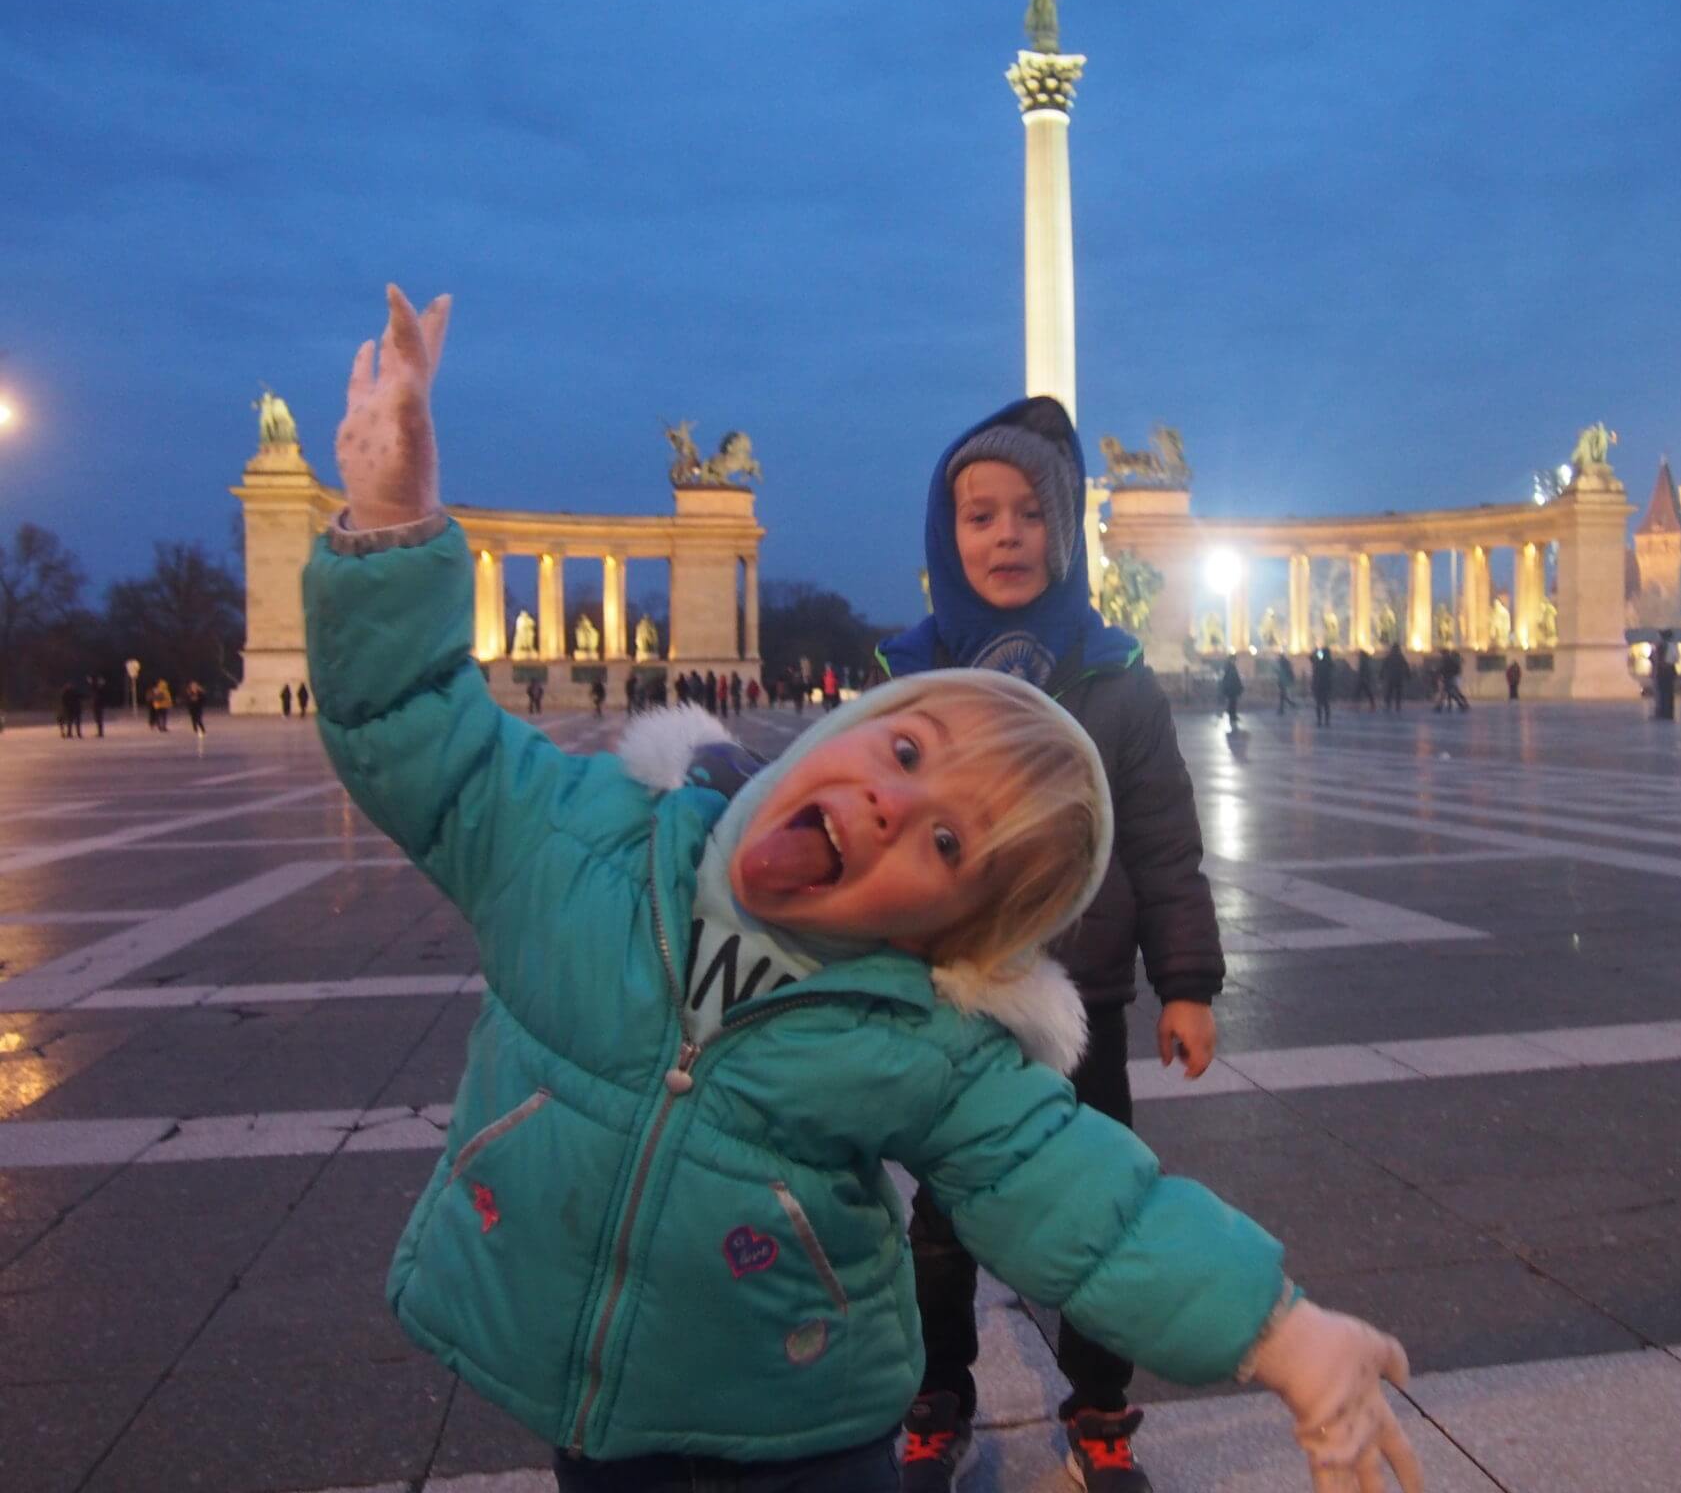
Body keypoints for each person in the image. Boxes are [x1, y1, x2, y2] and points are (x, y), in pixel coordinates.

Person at [307, 286, 1419, 1493]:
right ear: (831, 734)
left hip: (807, 1415)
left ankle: (1069, 1402)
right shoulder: (596, 844)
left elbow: (1086, 1196)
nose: (898, 807)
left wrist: (1280, 1330)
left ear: (958, 937)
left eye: (948, 849)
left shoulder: (927, 1034)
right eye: (898, 751)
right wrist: (388, 527)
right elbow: (421, 734)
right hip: (588, 1398)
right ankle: (947, 1389)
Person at [875, 397, 1241, 1492]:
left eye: (1029, 513)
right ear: (946, 536)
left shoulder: (1113, 675)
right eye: (978, 514)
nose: (1004, 534)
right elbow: (876, 830)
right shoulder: (913, 673)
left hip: (1086, 997)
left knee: (1101, 1204)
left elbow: (1166, 843)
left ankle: (1100, 1401)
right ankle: (938, 1388)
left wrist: (1186, 983)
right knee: (940, 1217)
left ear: (1066, 530)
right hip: (959, 995)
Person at [1651, 630, 1679, 722]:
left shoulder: (1661, 646)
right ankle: (1668, 713)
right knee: (1669, 694)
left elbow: (1656, 658)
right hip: (1671, 670)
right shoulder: (1674, 646)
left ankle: (1662, 712)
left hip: (1663, 670)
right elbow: (1676, 658)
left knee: (1662, 693)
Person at [1435, 648, 1468, 714]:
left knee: (1448, 693)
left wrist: (1439, 673)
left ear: (1445, 654)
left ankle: (1440, 707)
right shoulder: (1448, 659)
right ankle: (1460, 705)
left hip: (1448, 678)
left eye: (1442, 653)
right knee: (1450, 693)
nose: (1441, 655)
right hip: (1449, 678)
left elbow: (1444, 668)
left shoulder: (1447, 660)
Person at [1310, 645, 1335, 727]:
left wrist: (1317, 651)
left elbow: (1311, 658)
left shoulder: (1319, 662)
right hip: (1325, 685)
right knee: (1325, 704)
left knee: (1319, 704)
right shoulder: (1328, 662)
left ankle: (1320, 721)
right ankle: (1326, 721)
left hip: (1319, 685)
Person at [1382, 642, 1410, 712]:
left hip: (1391, 677)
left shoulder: (1389, 656)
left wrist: (1381, 674)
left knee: (1389, 691)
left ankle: (1388, 704)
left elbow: (1384, 666)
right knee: (1398, 692)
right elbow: (1406, 665)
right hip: (1398, 677)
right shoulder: (1400, 656)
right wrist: (1408, 674)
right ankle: (1397, 705)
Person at [1219, 654, 1244, 731]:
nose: (1235, 661)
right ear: (1231, 660)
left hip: (1232, 688)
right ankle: (1232, 715)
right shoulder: (1229, 667)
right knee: (1232, 702)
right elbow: (1231, 678)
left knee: (1233, 702)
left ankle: (1233, 714)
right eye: (1234, 660)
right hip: (1231, 688)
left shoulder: (1230, 667)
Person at [1353, 648, 1377, 712]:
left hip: (1363, 679)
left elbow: (1363, 671)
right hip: (1364, 679)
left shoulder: (1363, 661)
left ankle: (1356, 703)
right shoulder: (1365, 661)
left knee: (1362, 691)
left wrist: (1362, 677)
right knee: (1364, 691)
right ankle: (1371, 703)